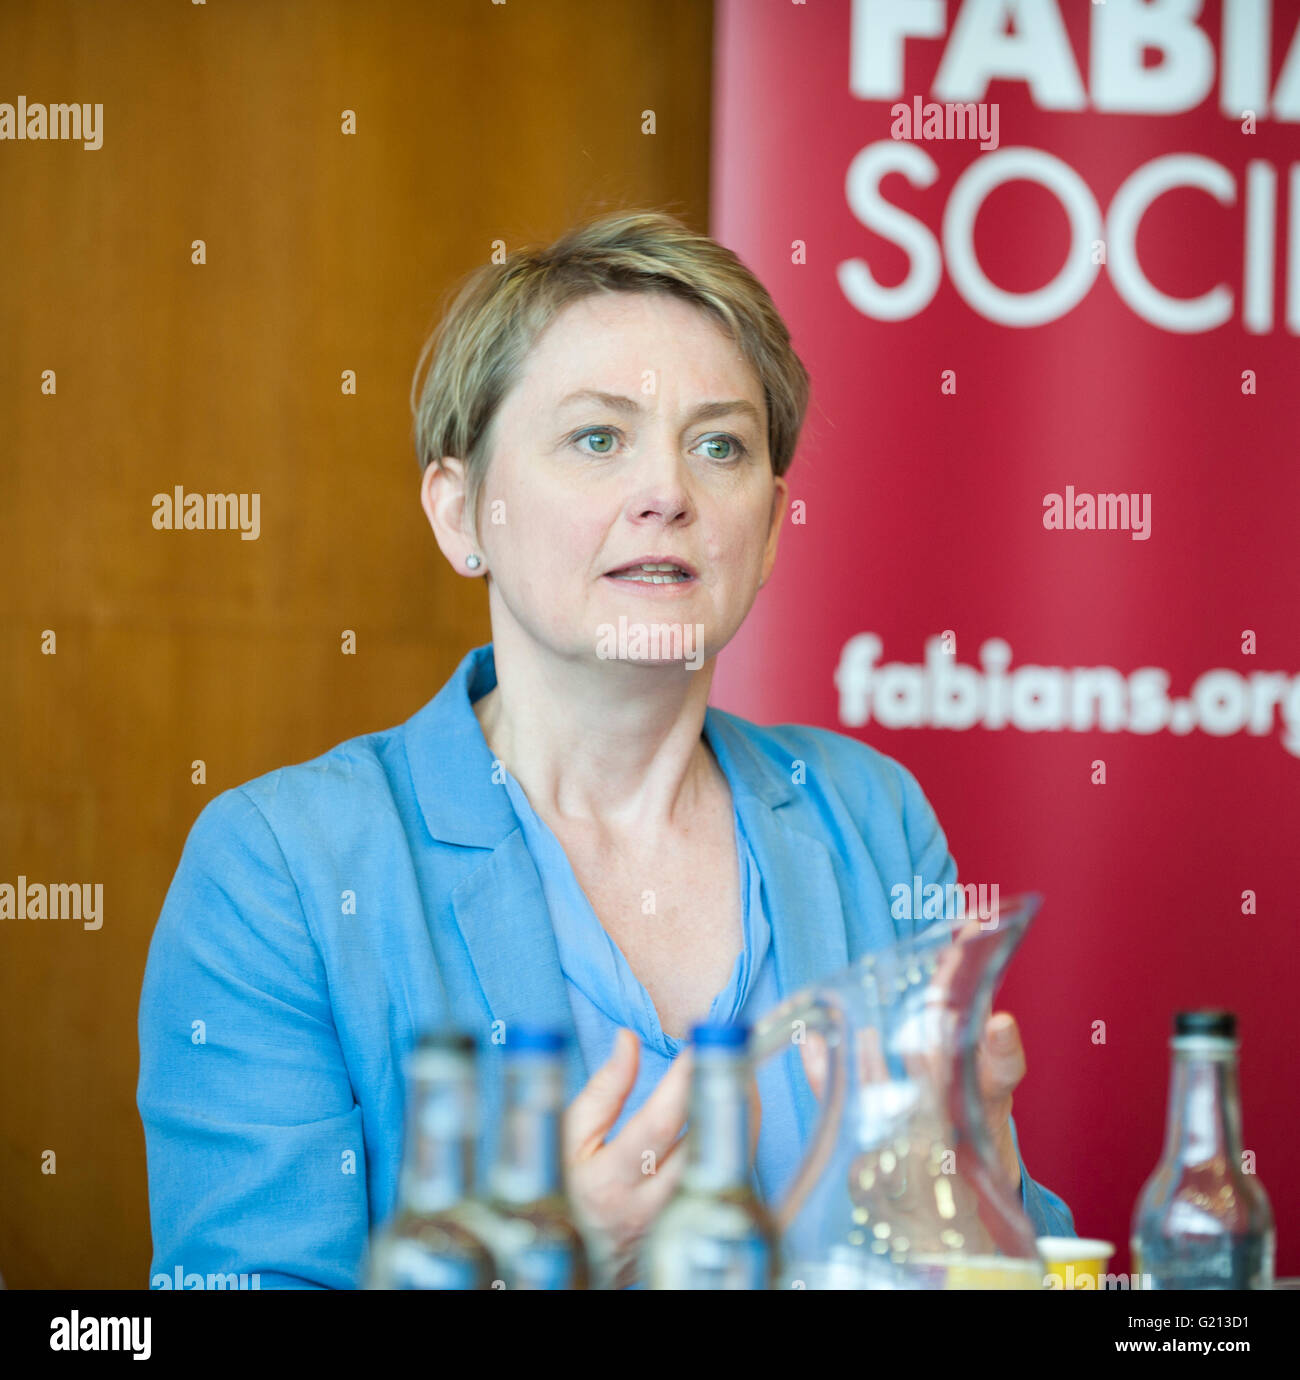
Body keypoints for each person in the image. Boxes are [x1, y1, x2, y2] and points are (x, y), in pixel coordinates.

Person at [137, 209, 1075, 1290]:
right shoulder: (282, 866)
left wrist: (994, 1206)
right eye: (597, 438)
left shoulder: (869, 815)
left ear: (767, 530)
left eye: (718, 445)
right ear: (460, 513)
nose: (667, 493)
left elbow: (1006, 1255)